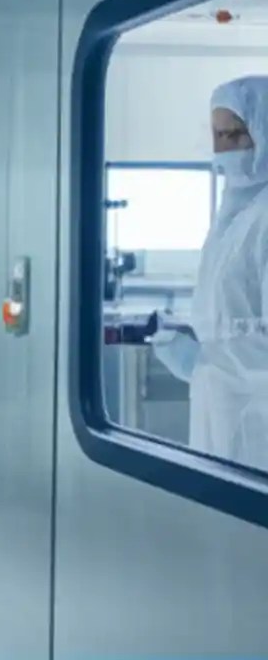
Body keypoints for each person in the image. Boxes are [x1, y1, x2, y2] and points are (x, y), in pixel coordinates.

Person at [154, 75, 268, 467]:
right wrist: (200, 351)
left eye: (236, 135)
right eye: (218, 136)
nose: (223, 150)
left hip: (258, 423)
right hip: (222, 409)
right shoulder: (233, 213)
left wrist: (206, 358)